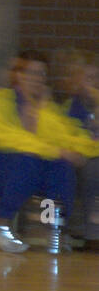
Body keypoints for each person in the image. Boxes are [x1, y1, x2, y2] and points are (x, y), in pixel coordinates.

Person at [0, 49, 98, 252]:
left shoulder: (47, 109)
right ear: (19, 75)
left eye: (41, 74)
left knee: (61, 168)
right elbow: (8, 139)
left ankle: (52, 229)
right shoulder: (0, 100)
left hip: (32, 166)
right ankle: (0, 224)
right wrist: (56, 151)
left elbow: (67, 136)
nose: (36, 79)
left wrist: (86, 150)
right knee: (29, 160)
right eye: (31, 73)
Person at [50, 48, 99, 250]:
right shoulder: (69, 108)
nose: (93, 83)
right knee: (90, 169)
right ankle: (92, 236)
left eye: (96, 77)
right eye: (88, 78)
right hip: (84, 160)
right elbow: (65, 138)